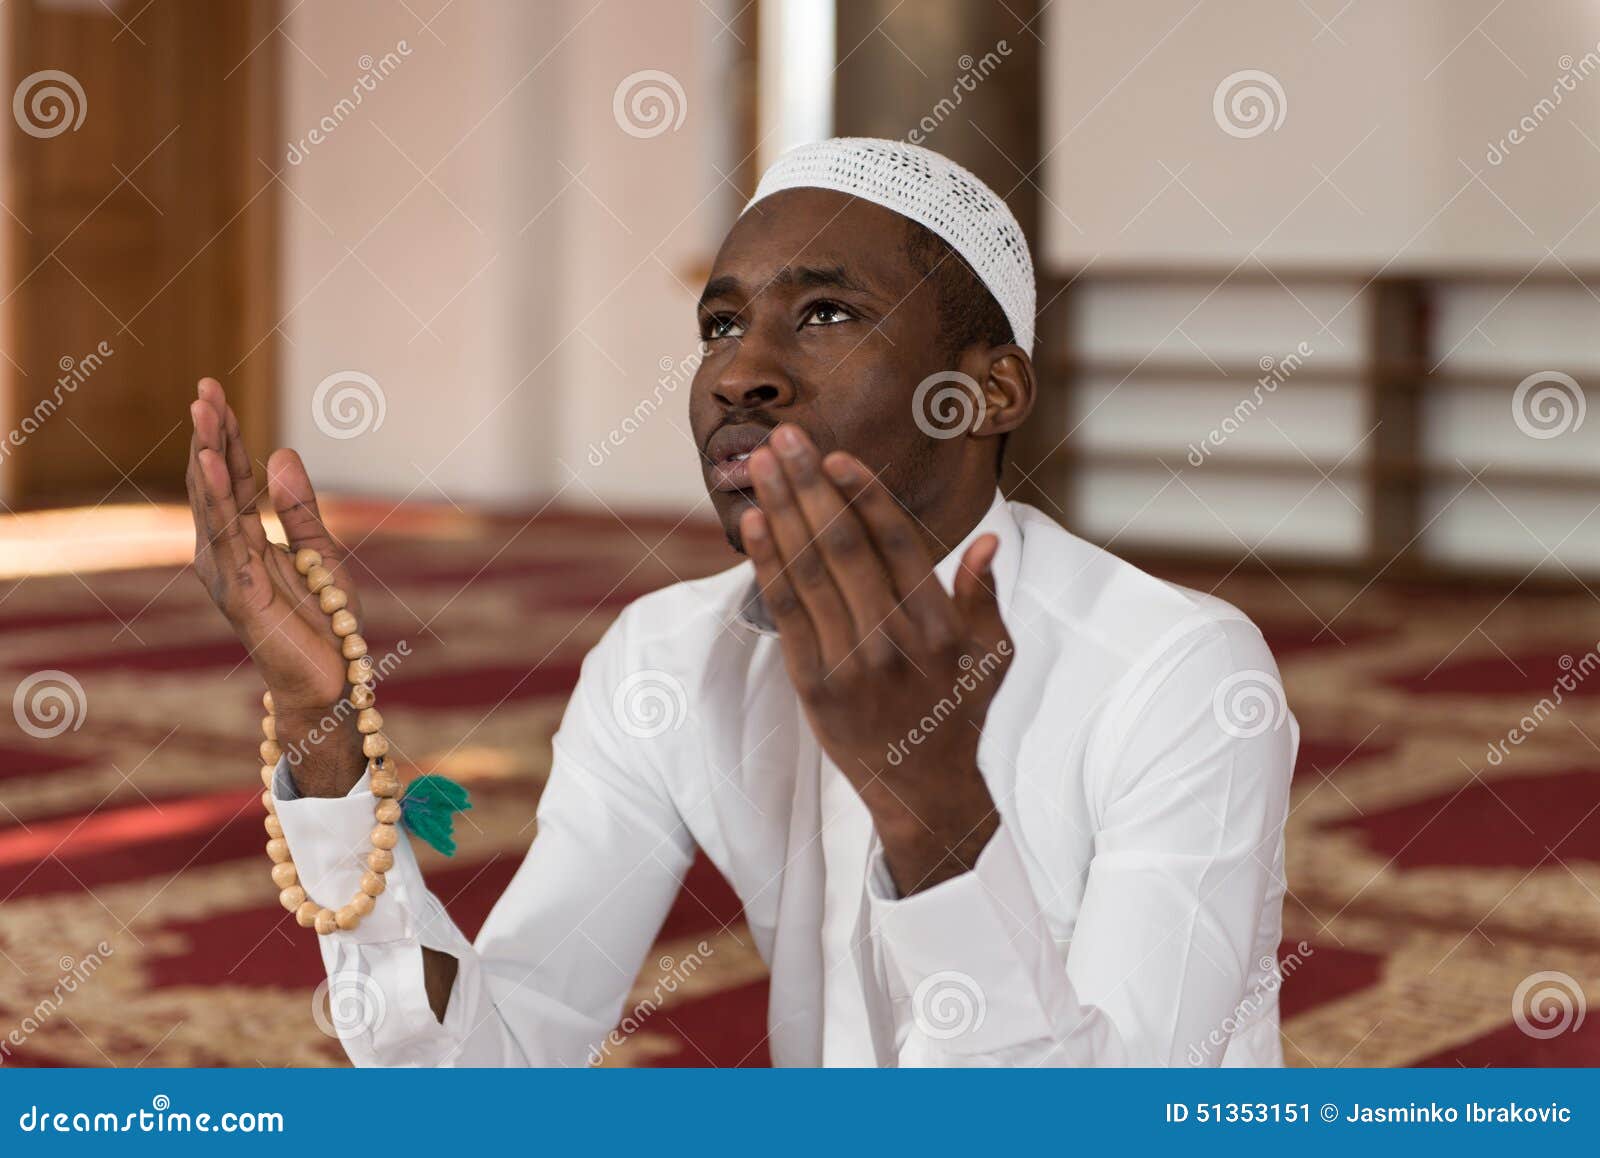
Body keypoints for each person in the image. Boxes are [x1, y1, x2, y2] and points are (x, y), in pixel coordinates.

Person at [186, 137, 1296, 1067]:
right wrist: (327, 734)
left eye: (823, 313)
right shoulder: (667, 659)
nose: (739, 374)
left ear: (987, 389)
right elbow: (495, 1068)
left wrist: (934, 817)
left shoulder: (1176, 672)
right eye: (721, 326)